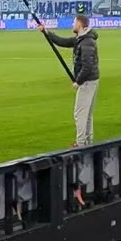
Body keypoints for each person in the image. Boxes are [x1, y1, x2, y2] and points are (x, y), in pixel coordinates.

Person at [39, 15, 100, 147]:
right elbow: (63, 42)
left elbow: (88, 66)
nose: (72, 24)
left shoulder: (86, 42)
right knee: (87, 114)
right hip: (91, 81)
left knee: (80, 113)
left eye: (74, 22)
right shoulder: (81, 39)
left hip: (87, 82)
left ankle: (81, 143)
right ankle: (87, 142)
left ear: (80, 24)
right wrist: (46, 31)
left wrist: (78, 81)